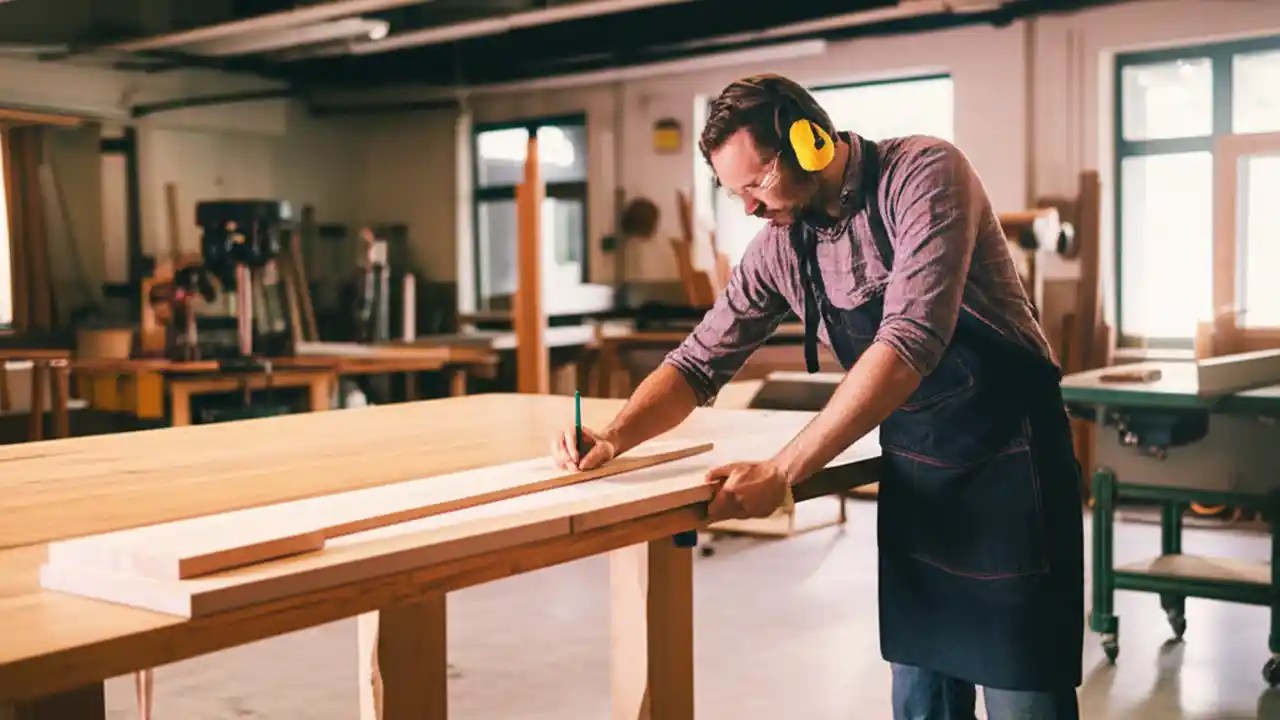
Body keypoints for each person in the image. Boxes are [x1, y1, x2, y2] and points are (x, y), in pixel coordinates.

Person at [550, 74, 1084, 719]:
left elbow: (910, 341)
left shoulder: (924, 174)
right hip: (919, 476)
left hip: (1009, 466)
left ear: (810, 141)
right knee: (921, 702)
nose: (748, 208)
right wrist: (614, 434)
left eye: (756, 184)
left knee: (1024, 698)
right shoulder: (781, 242)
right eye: (734, 193)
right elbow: (698, 362)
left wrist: (781, 470)